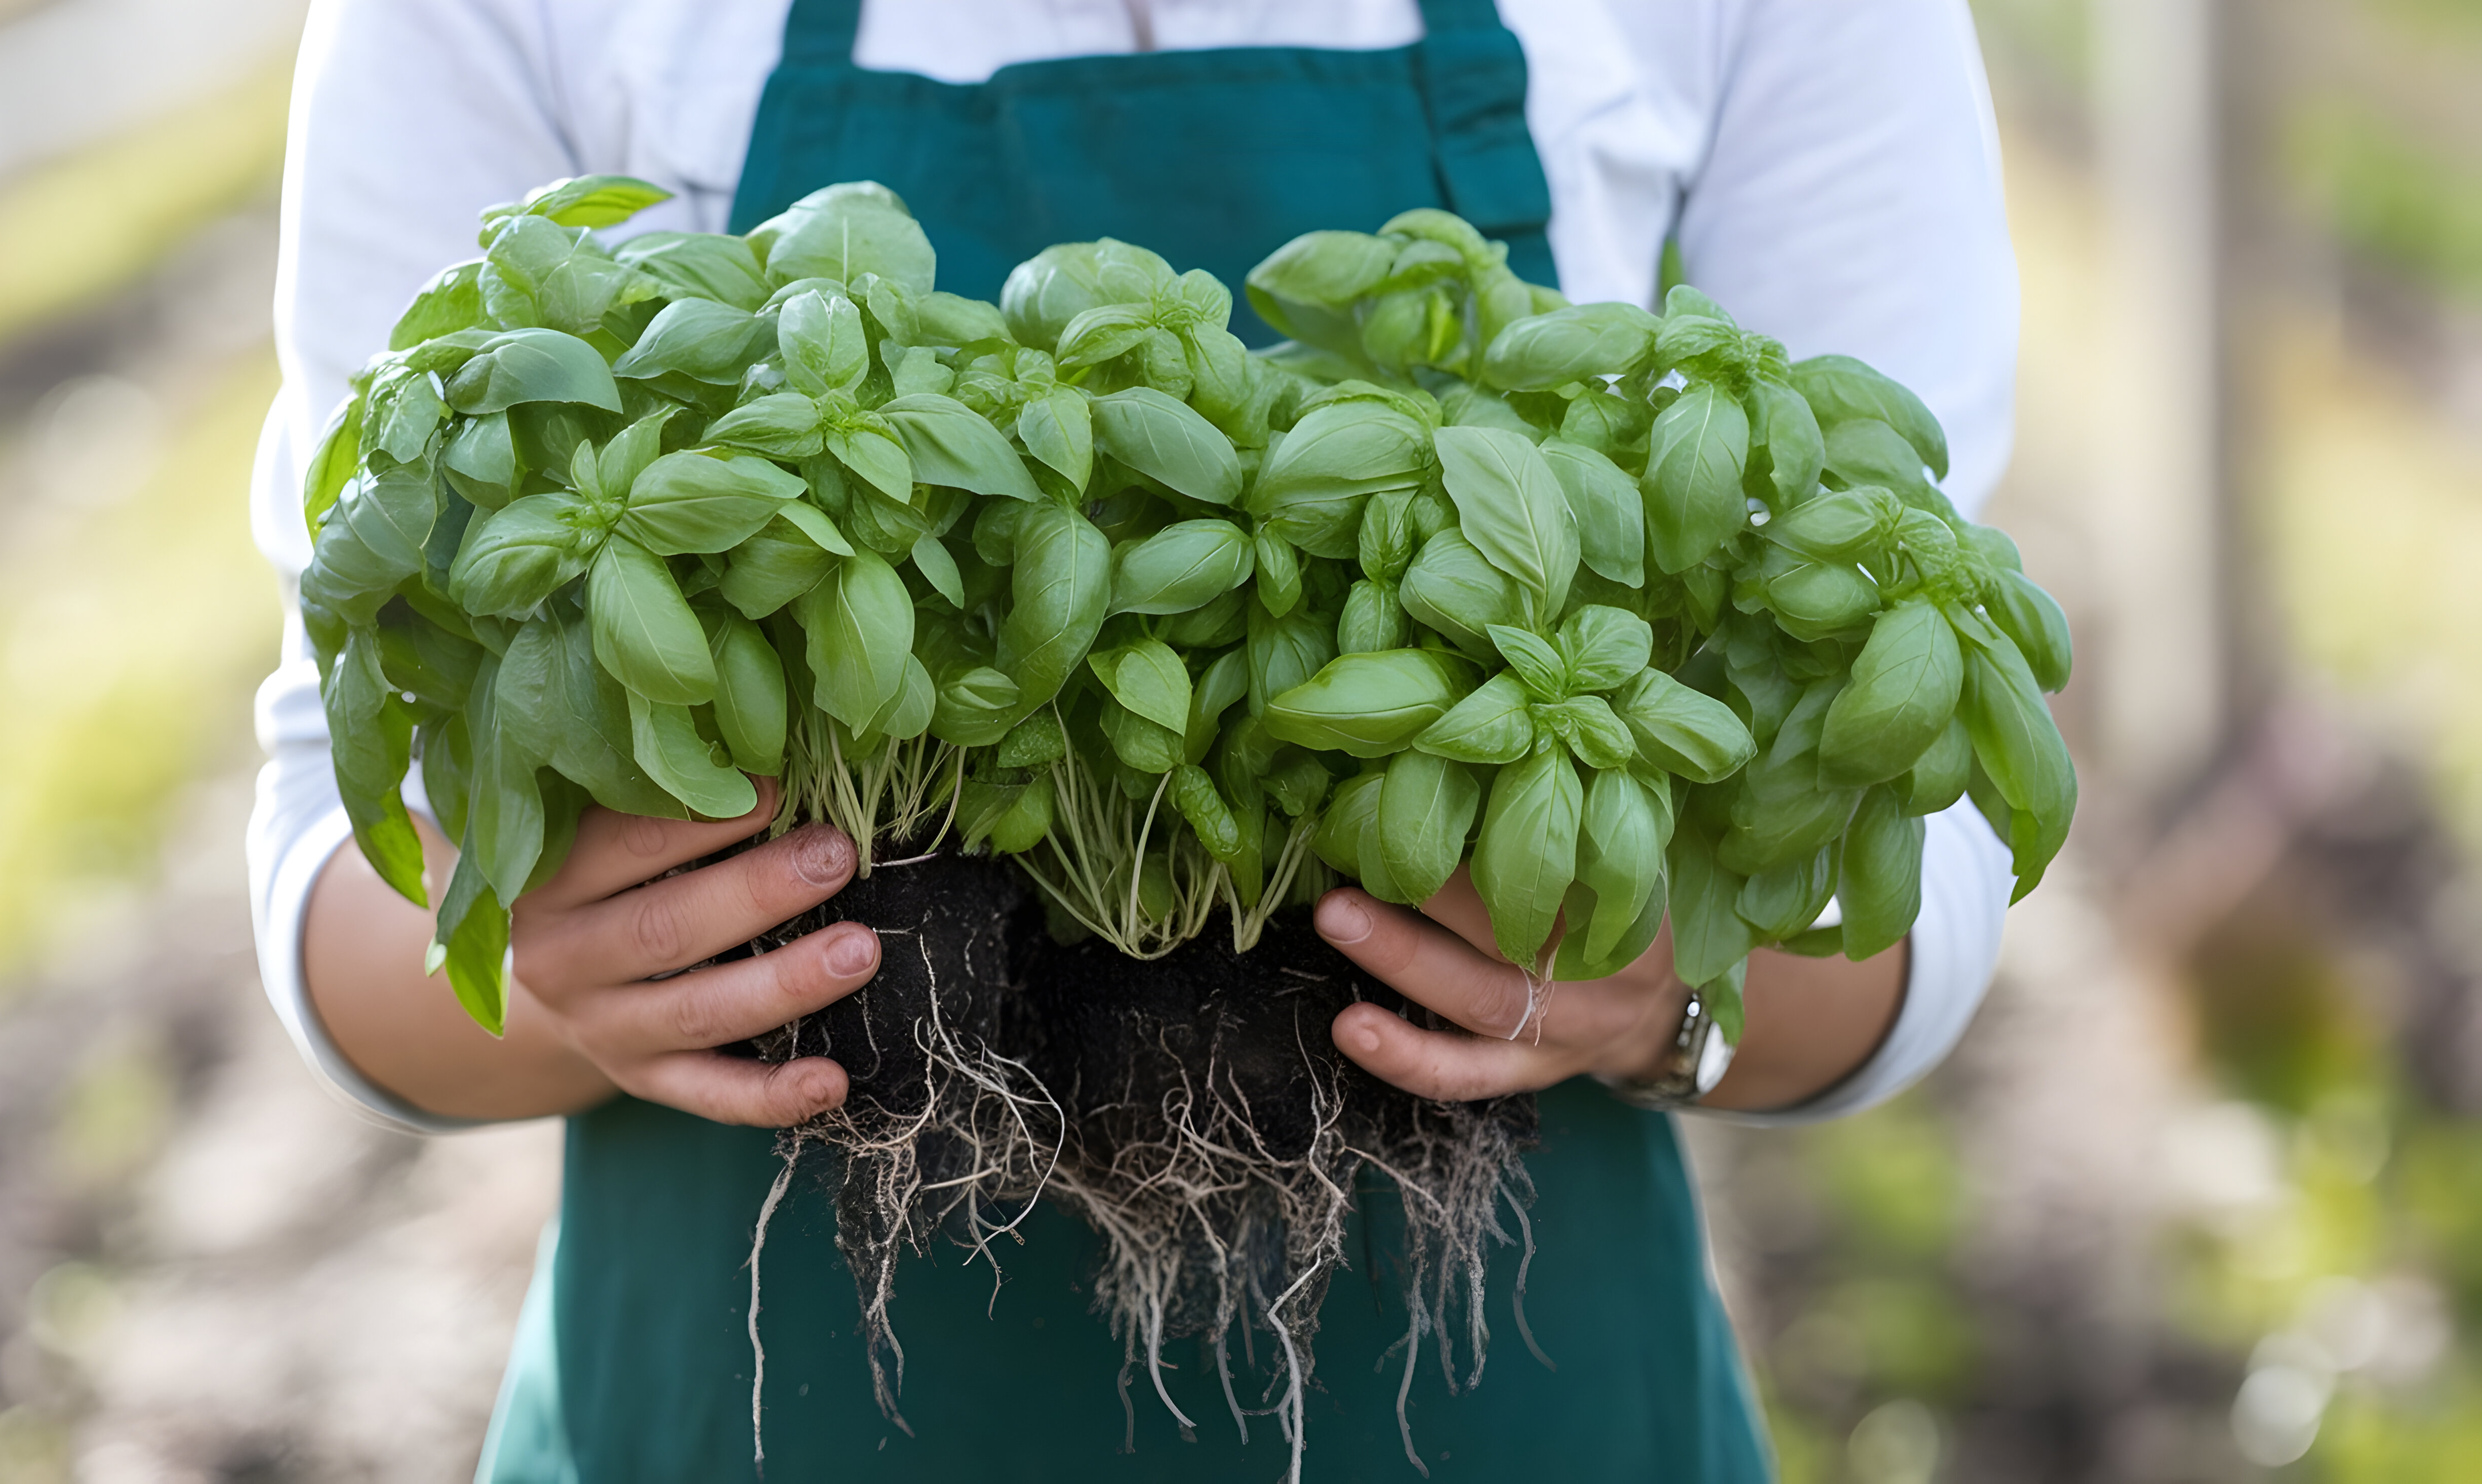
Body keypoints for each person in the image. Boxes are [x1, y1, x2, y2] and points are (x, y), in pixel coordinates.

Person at [247, 1, 2020, 1477]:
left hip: (1511, 1395)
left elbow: (1920, 850)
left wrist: (1682, 991)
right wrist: (537, 964)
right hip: (755, 1404)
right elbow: (335, 872)